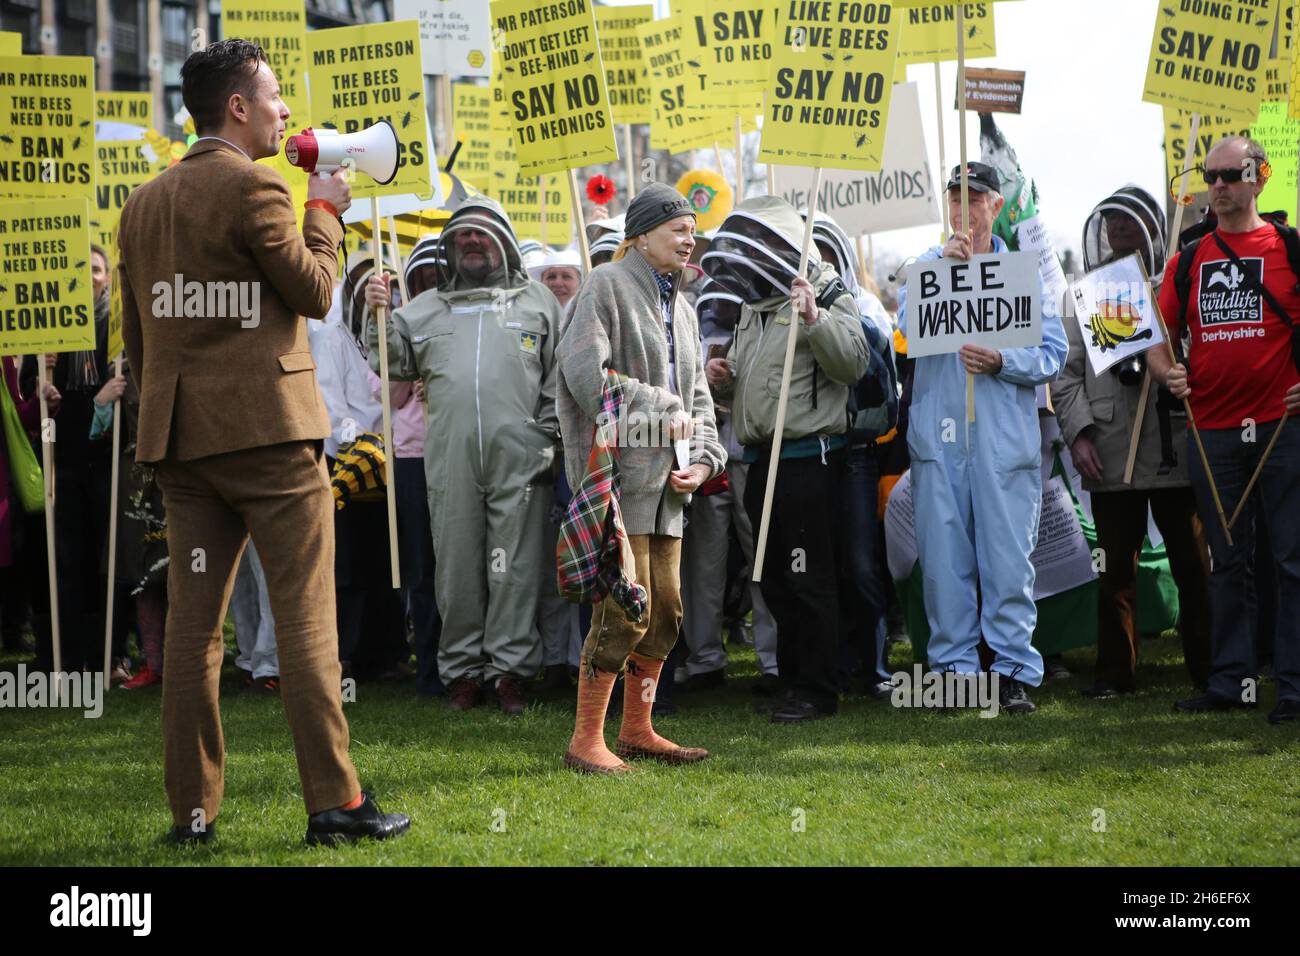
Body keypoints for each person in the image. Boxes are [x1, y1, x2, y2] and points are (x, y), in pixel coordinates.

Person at [116, 39, 408, 845]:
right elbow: (315, 294)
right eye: (275, 97)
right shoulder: (258, 189)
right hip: (273, 442)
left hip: (184, 445)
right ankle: (336, 804)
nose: (286, 111)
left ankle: (193, 814)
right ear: (237, 108)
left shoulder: (141, 204)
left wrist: (164, 421)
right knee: (307, 621)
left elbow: (138, 338)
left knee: (192, 634)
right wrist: (324, 209)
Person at [366, 197, 559, 715]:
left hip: (521, 458)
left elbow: (557, 378)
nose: (472, 243)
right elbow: (391, 365)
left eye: (482, 235)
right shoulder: (421, 310)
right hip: (449, 457)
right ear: (449, 249)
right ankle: (462, 673)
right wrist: (377, 310)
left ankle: (510, 673)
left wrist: (546, 434)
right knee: (456, 565)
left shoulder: (538, 302)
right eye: (462, 237)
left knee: (515, 567)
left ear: (505, 243)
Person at [557, 182, 725, 773]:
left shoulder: (682, 306)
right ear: (642, 233)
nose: (690, 238)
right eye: (678, 228)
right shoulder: (603, 284)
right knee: (623, 610)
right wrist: (659, 404)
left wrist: (705, 459)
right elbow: (583, 374)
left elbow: (699, 400)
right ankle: (585, 740)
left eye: (692, 229)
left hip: (669, 492)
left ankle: (636, 729)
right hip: (617, 483)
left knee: (665, 611)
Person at [895, 163, 1068, 714]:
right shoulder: (926, 265)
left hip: (1002, 444)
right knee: (944, 562)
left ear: (996, 207)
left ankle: (1012, 669)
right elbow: (905, 330)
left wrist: (1002, 360)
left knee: (1008, 561)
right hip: (939, 444)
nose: (963, 209)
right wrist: (939, 276)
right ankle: (955, 672)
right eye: (954, 198)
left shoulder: (1022, 273)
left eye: (976, 199)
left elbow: (1053, 351)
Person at [1149, 136, 1300, 724]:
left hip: (1282, 429)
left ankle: (1292, 687)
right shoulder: (1187, 259)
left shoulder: (1289, 248)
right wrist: (1168, 374)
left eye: (1230, 176)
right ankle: (1231, 682)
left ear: (1260, 178)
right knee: (1227, 560)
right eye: (1209, 176)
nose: (1217, 186)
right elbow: (1156, 337)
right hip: (1211, 432)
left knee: (1290, 561)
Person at [703, 196, 869, 723]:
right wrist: (724, 377)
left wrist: (816, 319)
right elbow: (759, 384)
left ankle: (818, 689)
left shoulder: (828, 292)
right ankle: (793, 680)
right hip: (760, 460)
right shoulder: (755, 306)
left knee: (807, 575)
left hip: (807, 461)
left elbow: (852, 366)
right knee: (773, 577)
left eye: (770, 241)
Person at [1053, 185, 1210, 698]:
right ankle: (1115, 675)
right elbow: (1065, 375)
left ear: (1150, 233)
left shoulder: (1179, 287)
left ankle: (1213, 670)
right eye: (1112, 225)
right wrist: (1078, 434)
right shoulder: (1085, 294)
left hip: (1172, 451)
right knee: (1114, 568)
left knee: (1193, 563)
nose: (1119, 233)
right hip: (1111, 454)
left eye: (1130, 225)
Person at [678, 280, 780, 693]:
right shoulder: (685, 313)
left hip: (746, 451)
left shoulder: (762, 311)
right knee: (701, 564)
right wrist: (706, 378)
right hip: (704, 455)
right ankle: (704, 658)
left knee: (761, 558)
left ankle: (772, 660)